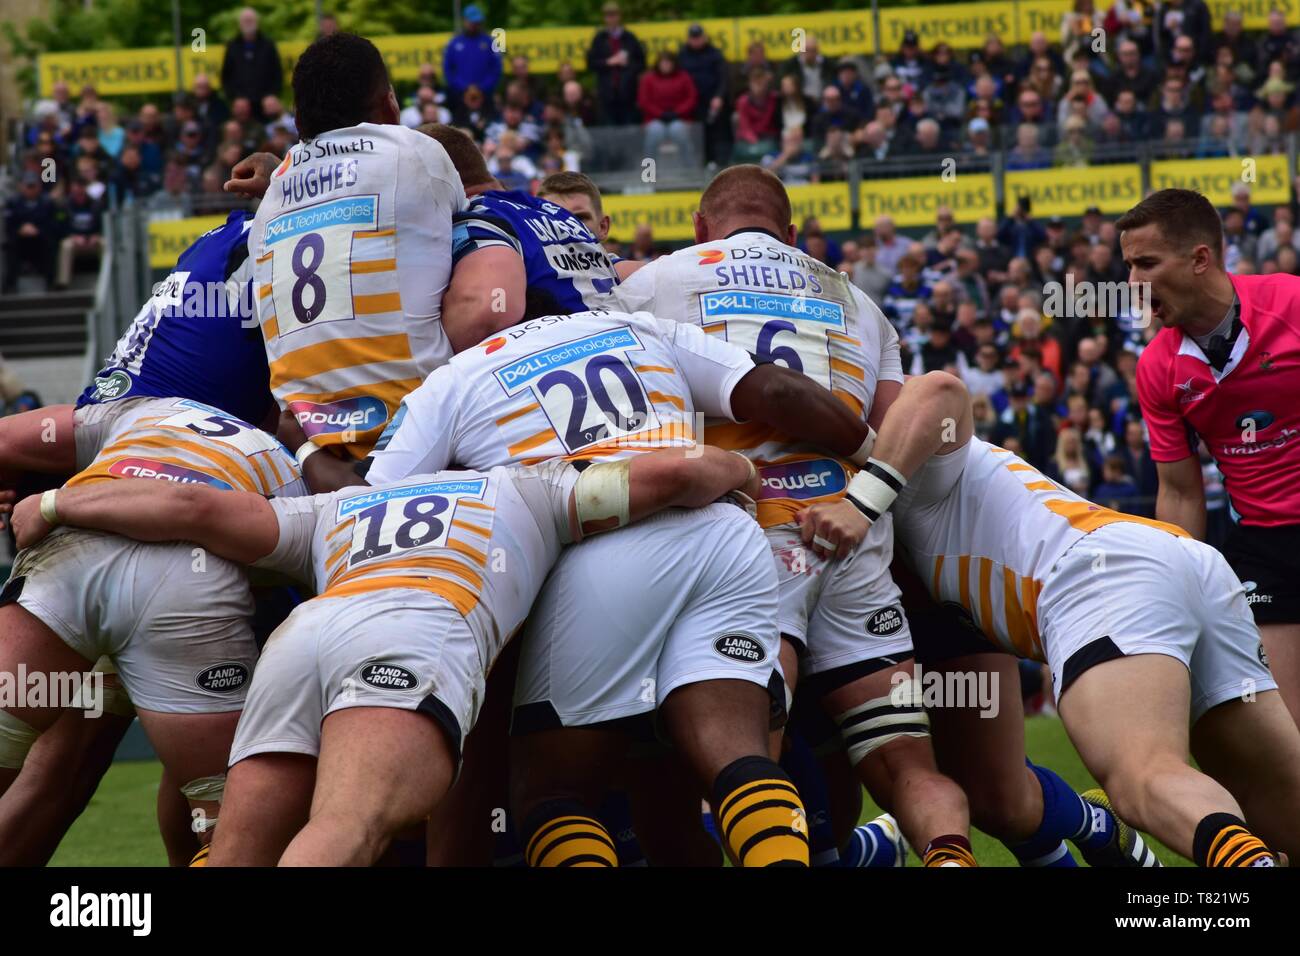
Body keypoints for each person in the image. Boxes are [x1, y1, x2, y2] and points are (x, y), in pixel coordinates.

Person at [4, 442, 760, 866]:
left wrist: (57, 502)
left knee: (237, 853)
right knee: (345, 833)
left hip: (304, 643)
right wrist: (740, 469)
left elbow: (190, 508)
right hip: (415, 632)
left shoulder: (338, 506)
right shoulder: (528, 488)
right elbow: (680, 475)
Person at [615, 165, 979, 866]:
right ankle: (950, 856)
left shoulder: (655, 281)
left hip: (742, 539)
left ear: (699, 227)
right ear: (789, 233)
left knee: (747, 763)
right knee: (908, 766)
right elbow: (890, 435)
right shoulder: (859, 300)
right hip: (851, 532)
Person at [798, 382, 1300, 866]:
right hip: (1178, 563)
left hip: (1098, 581)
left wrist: (859, 504)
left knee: (1141, 778)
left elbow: (940, 391)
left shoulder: (897, 454)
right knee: (1277, 799)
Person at [0, 398, 305, 864]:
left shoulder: (143, 409)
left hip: (65, 560)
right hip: (189, 588)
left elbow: (7, 439)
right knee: (232, 832)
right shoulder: (289, 471)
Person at [224, 33, 467, 461]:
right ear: (390, 105)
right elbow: (478, 235)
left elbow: (327, 165)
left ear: (297, 121)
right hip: (417, 430)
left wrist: (280, 165)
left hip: (308, 441)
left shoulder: (272, 199)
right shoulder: (416, 153)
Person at [1126, 188, 1300, 728]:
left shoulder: (1290, 304)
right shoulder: (1158, 368)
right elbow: (1180, 491)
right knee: (1286, 731)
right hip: (1263, 548)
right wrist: (1170, 587)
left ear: (1200, 258)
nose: (1131, 283)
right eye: (1128, 265)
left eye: (1146, 264)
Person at [417, 125, 620, 351]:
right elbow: (632, 273)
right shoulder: (556, 213)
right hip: (623, 353)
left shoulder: (478, 216)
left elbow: (488, 312)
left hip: (559, 364)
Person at [586, 2, 645, 126]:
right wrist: (608, 62)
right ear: (604, 18)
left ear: (619, 16)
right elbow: (591, 63)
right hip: (607, 94)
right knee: (609, 130)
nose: (611, 19)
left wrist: (628, 64)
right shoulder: (599, 39)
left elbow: (641, 63)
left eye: (613, 15)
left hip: (628, 93)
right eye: (608, 16)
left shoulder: (630, 38)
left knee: (629, 129)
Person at [220, 7, 282, 121]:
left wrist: (271, 95)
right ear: (240, 24)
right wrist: (235, 97)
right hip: (241, 103)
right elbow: (226, 76)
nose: (248, 24)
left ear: (257, 22)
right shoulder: (232, 46)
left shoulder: (268, 45)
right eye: (245, 21)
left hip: (265, 101)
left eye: (251, 20)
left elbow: (277, 73)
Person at [3, 173, 57, 292]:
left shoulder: (47, 202)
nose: (31, 189)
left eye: (33, 186)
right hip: (20, 239)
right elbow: (9, 224)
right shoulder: (13, 202)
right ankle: (10, 284)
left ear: (39, 187)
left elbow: (52, 223)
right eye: (28, 186)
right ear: (21, 186)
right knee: (10, 245)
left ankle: (51, 282)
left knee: (50, 244)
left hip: (41, 238)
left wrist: (38, 230)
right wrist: (20, 229)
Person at [442, 4, 501, 113]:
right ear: (464, 21)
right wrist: (464, 88)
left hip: (485, 95)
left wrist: (481, 88)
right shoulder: (454, 43)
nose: (474, 25)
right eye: (472, 21)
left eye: (477, 22)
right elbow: (448, 70)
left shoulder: (490, 42)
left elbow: (496, 69)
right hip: (459, 96)